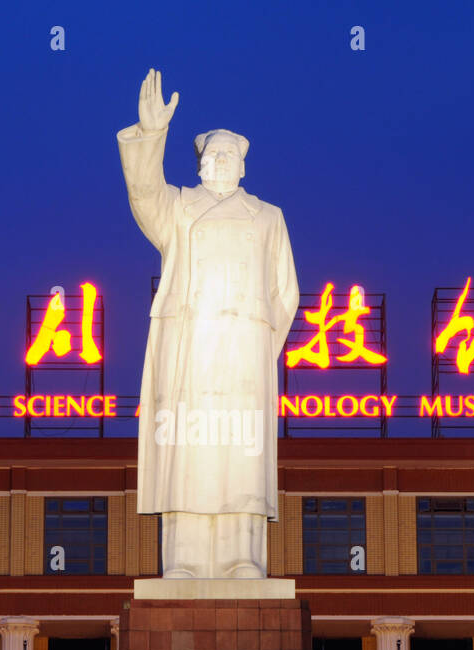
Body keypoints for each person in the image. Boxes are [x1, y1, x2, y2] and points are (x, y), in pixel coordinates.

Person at [117, 69, 299, 578]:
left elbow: (286, 292)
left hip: (243, 353)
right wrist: (152, 134)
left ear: (244, 166)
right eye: (212, 154)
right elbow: (143, 193)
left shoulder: (267, 217)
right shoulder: (176, 208)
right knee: (190, 454)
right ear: (198, 164)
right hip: (190, 348)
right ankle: (184, 560)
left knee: (240, 454)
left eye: (230, 155)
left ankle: (244, 558)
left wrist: (260, 344)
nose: (221, 161)